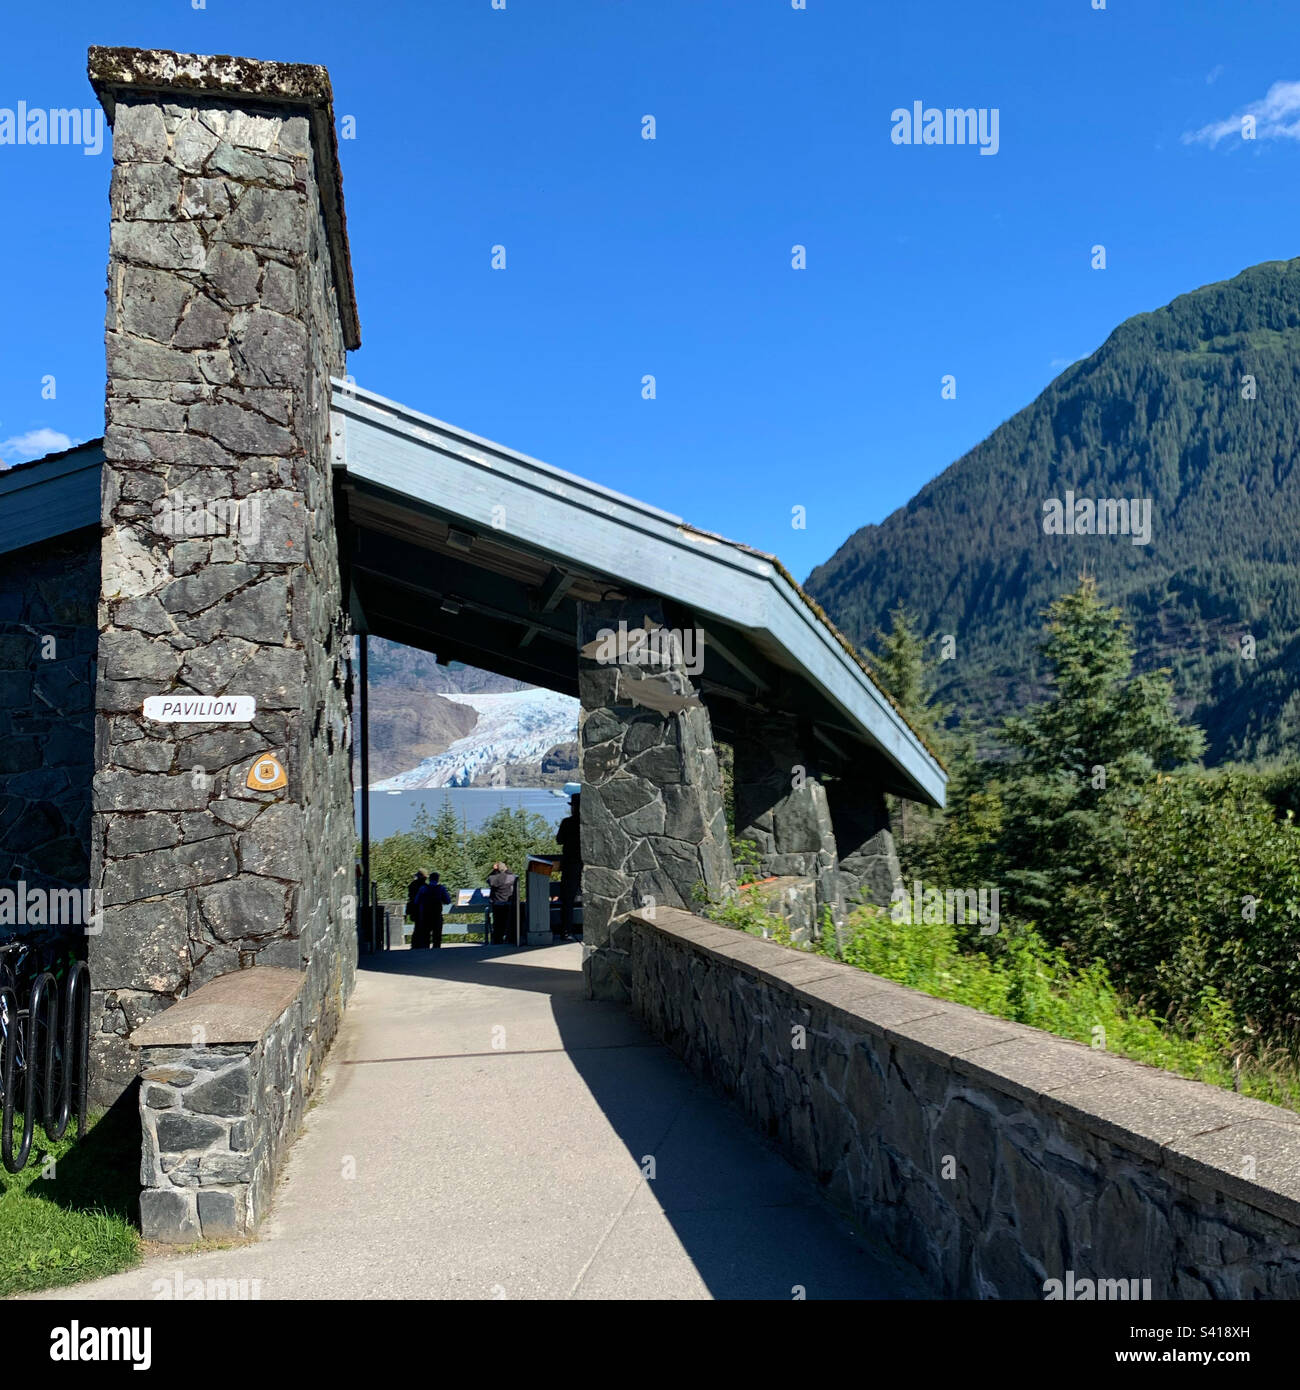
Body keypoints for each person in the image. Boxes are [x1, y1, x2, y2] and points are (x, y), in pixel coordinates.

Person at [555, 792, 581, 940]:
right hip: (586, 864)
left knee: (567, 899)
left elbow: (559, 840)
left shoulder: (566, 822)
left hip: (570, 864)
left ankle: (567, 931)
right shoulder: (589, 823)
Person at [412, 871, 451, 949]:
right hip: (437, 915)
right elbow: (447, 901)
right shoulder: (441, 888)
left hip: (425, 915)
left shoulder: (423, 888)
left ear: (429, 879)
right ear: (437, 879)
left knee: (425, 937)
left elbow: (416, 901)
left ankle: (426, 953)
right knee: (437, 937)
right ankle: (436, 954)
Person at [486, 861, 518, 945]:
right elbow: (514, 876)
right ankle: (509, 939)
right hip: (508, 903)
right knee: (508, 922)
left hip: (497, 904)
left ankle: (497, 940)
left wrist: (494, 870)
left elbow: (488, 879)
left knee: (497, 923)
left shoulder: (494, 879)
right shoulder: (510, 878)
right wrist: (506, 869)